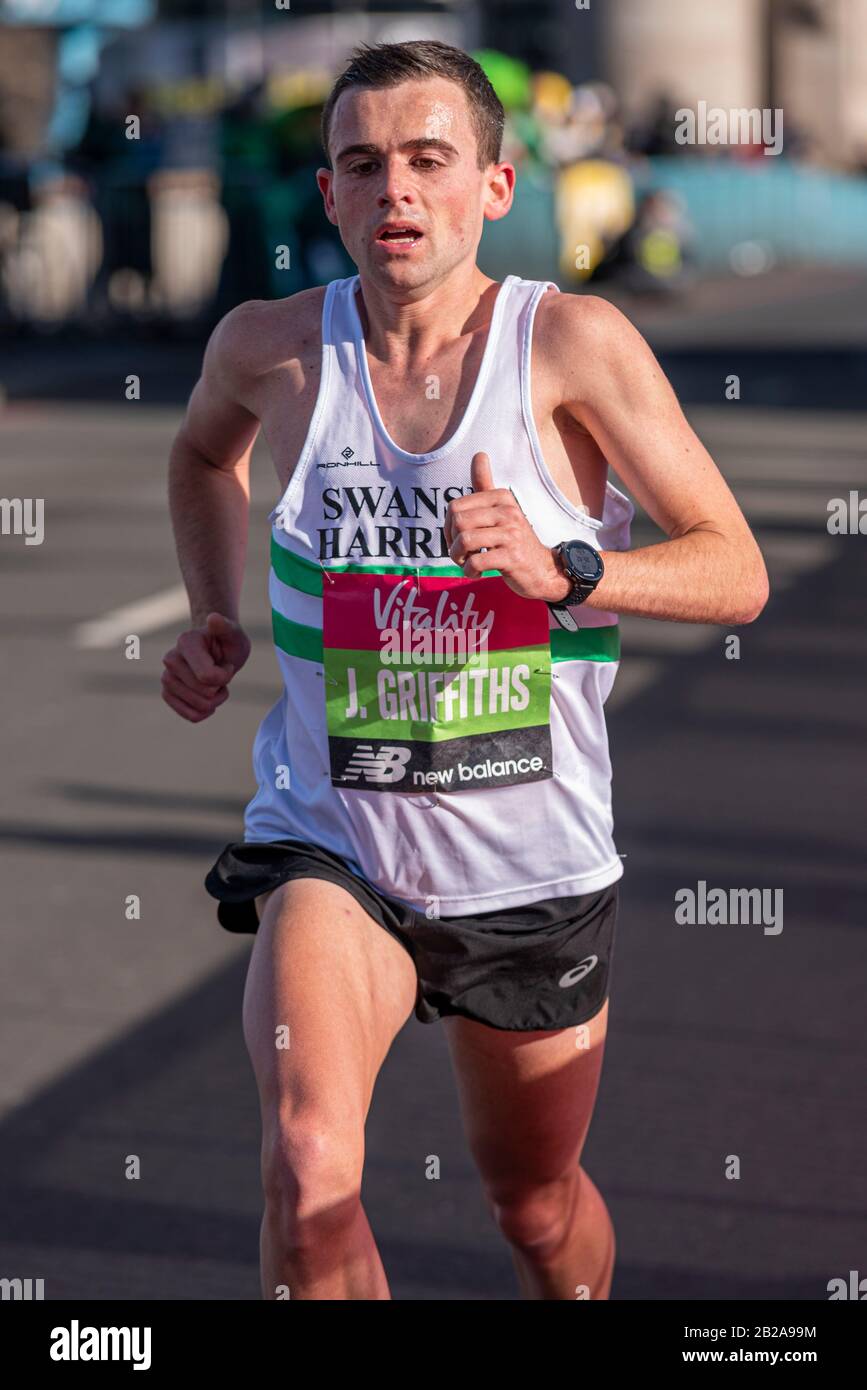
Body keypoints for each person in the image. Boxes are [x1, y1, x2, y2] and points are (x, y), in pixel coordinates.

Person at [163, 40, 768, 1301]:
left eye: (430, 161)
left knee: (534, 1207)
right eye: (363, 164)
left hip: (529, 867)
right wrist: (215, 612)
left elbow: (735, 569)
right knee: (309, 1160)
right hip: (337, 839)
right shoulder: (269, 349)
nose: (397, 191)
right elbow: (202, 460)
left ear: (494, 187)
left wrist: (574, 569)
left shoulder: (573, 345)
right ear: (327, 193)